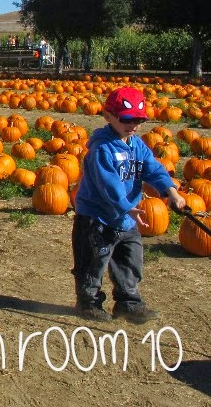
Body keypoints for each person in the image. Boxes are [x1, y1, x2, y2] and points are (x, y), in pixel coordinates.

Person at [72, 87, 186, 323]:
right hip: (98, 218)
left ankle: (128, 302)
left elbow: (153, 168)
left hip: (126, 217)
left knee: (130, 260)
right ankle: (88, 303)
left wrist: (170, 191)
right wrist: (126, 206)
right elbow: (108, 184)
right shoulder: (102, 148)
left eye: (139, 120)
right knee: (93, 263)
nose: (133, 125)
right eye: (127, 119)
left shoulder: (137, 145)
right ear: (108, 116)